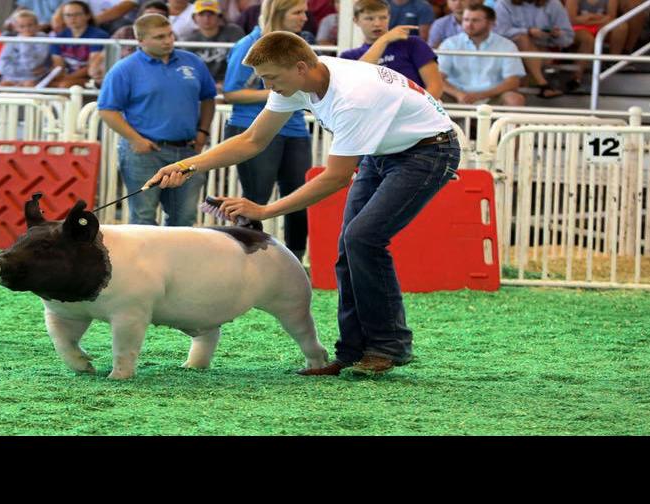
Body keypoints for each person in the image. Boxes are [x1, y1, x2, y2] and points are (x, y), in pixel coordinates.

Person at [147, 31, 459, 375]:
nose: (268, 86)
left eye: (271, 78)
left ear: (299, 67)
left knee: (363, 239)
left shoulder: (353, 97)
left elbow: (336, 177)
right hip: (383, 150)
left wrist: (265, 210)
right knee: (350, 246)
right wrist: (185, 165)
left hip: (429, 151)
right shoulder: (296, 83)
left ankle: (388, 346)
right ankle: (353, 352)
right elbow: (253, 139)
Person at [97, 13, 216, 226]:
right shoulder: (125, 69)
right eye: (160, 37)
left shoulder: (193, 62)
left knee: (185, 217)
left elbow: (208, 97)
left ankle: (177, 260)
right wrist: (135, 139)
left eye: (170, 34)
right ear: (140, 41)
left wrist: (203, 132)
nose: (168, 40)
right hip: (145, 151)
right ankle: (146, 261)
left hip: (187, 150)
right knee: (143, 217)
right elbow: (107, 110)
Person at [222, 0, 314, 261]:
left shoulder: (297, 47)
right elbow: (231, 92)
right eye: (298, 12)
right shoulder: (248, 45)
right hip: (253, 127)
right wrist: (279, 91)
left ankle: (296, 263)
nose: (304, 18)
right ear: (279, 14)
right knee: (255, 199)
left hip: (295, 129)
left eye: (305, 12)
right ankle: (246, 263)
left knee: (299, 201)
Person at [341, 0, 444, 100]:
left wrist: (417, 112)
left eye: (383, 18)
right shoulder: (348, 57)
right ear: (356, 21)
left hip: (417, 110)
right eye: (369, 18)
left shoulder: (413, 43)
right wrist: (384, 40)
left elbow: (436, 86)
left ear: (389, 17)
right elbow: (356, 82)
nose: (377, 23)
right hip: (373, 112)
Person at [439, 4, 527, 105]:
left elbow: (512, 82)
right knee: (433, 97)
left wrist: (480, 95)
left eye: (475, 20)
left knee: (514, 99)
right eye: (466, 20)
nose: (469, 24)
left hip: (492, 97)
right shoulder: (450, 44)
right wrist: (459, 94)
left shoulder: (507, 46)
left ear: (491, 23)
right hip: (456, 96)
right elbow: (437, 78)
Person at [494, 0, 574, 98]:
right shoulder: (503, 4)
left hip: (543, 51)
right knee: (522, 39)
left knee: (523, 61)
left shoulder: (553, 4)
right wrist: (528, 31)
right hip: (511, 52)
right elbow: (498, 31)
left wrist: (557, 35)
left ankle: (518, 100)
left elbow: (568, 38)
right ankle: (542, 84)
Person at [182, 0, 245, 87]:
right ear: (194, 18)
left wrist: (225, 83)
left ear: (219, 17)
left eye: (211, 14)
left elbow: (242, 62)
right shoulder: (188, 41)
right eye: (201, 14)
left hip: (232, 84)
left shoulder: (234, 32)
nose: (206, 18)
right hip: (202, 86)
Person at [564, 0, 623, 90]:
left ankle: (612, 62)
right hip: (580, 28)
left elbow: (611, 17)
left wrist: (588, 18)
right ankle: (576, 78)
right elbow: (571, 20)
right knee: (588, 40)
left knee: (621, 26)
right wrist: (598, 18)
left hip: (600, 26)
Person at [50, 1, 109, 88]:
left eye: (77, 14)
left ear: (87, 16)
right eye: (68, 15)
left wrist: (66, 79)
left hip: (91, 78)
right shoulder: (59, 37)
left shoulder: (99, 36)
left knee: (64, 85)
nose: (72, 18)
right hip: (67, 77)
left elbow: (91, 67)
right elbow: (58, 66)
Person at [0, 10, 53, 86]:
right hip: (12, 77)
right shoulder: (12, 41)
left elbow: (32, 65)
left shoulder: (42, 39)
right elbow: (1, 67)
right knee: (1, 86)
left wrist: (25, 42)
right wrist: (24, 72)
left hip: (33, 78)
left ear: (37, 25)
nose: (26, 29)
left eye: (30, 25)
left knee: (28, 85)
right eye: (22, 26)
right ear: (16, 28)